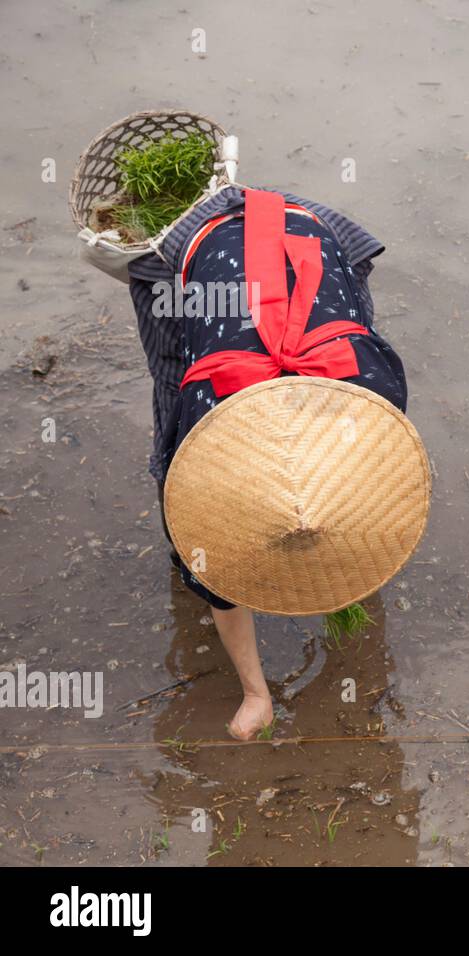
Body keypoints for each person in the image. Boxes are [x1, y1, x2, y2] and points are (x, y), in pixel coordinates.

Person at [128, 186, 422, 739]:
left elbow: (389, 465)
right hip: (196, 257)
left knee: (349, 315)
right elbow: (215, 575)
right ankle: (254, 687)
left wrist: (359, 558)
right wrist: (255, 695)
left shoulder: (369, 385)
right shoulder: (204, 427)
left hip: (311, 236)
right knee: (170, 377)